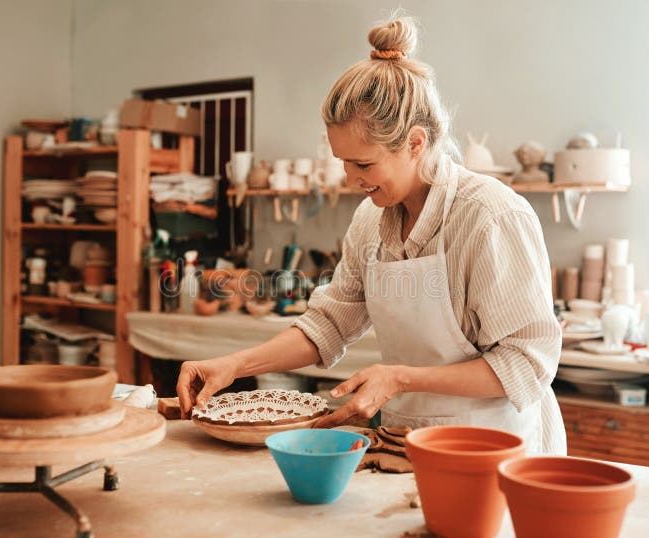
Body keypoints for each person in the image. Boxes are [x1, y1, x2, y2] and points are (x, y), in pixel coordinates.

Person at [177, 15, 567, 454]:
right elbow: (329, 325)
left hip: (493, 448)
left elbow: (528, 364)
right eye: (343, 162)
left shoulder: (490, 216)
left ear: (415, 144)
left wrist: (400, 377)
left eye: (363, 165)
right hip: (406, 440)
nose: (350, 179)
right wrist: (233, 365)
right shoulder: (370, 219)